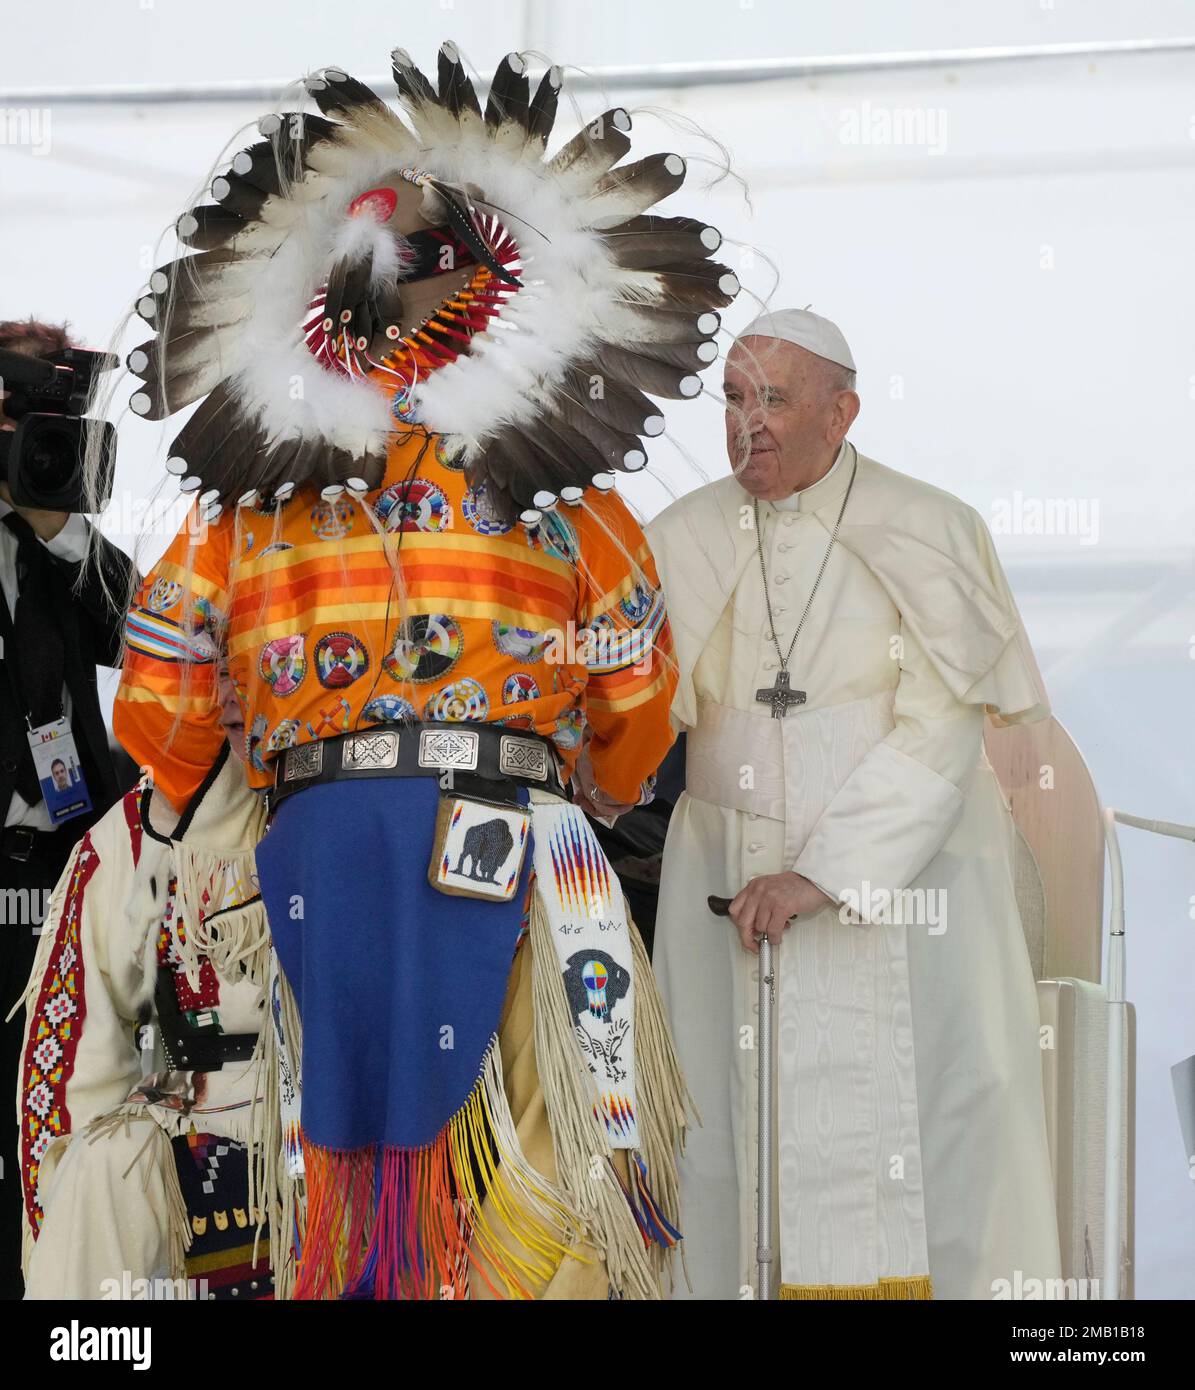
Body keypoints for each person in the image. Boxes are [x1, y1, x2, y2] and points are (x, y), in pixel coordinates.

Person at [107, 42, 736, 1299]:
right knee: (569, 1172)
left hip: (328, 849)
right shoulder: (565, 490)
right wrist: (603, 784)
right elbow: (636, 692)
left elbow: (160, 699)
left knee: (336, 1183)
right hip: (526, 837)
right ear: (494, 292)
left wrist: (208, 769)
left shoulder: (248, 504)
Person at [647, 307, 1062, 1299]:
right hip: (723, 870)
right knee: (720, 1132)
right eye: (733, 400)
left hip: (910, 886)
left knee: (945, 1127)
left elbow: (939, 731)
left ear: (842, 412)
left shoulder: (930, 524)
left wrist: (823, 872)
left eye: (774, 401)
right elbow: (630, 717)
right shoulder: (676, 535)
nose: (747, 424)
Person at [16, 663, 287, 1300]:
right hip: (189, 1133)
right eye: (211, 670)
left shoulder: (354, 809)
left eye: (250, 663)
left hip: (342, 1129)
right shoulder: (132, 839)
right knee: (104, 1167)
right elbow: (71, 1066)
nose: (229, 693)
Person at [0, 316, 136, 1298]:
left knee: (58, 1093)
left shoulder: (62, 548)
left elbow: (147, 636)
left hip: (65, 866)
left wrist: (62, 529)